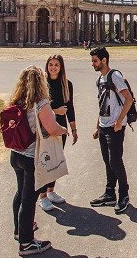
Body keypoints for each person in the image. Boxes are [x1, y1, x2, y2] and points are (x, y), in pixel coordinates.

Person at [8, 66, 67, 255]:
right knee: (28, 200)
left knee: (20, 193)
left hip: (15, 154)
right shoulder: (41, 103)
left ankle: (19, 230)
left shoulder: (16, 100)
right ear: (41, 82)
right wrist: (64, 130)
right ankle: (26, 244)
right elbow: (53, 129)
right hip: (30, 158)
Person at [89, 46, 132, 213]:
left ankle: (124, 195)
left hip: (115, 127)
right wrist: (97, 126)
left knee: (116, 162)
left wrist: (119, 121)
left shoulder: (115, 76)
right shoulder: (100, 79)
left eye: (95, 61)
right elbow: (102, 104)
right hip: (104, 126)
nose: (92, 64)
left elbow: (129, 99)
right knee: (108, 162)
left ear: (104, 60)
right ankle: (109, 194)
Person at [39, 54, 78, 211]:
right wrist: (55, 110)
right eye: (50, 64)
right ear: (47, 66)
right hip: (45, 127)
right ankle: (42, 197)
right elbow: (38, 107)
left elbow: (70, 108)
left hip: (61, 127)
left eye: (56, 65)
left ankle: (51, 192)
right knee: (45, 160)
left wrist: (74, 129)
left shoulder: (67, 84)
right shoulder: (42, 83)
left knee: (56, 160)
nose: (53, 67)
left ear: (61, 67)